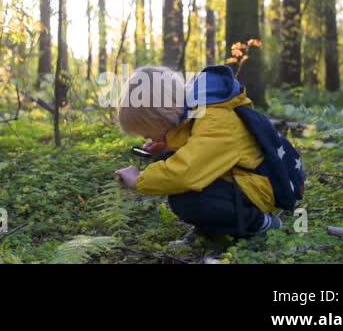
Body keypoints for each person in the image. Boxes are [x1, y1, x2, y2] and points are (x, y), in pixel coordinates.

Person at [114, 65, 282, 239]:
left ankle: (261, 223)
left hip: (259, 189)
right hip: (236, 178)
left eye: (147, 133)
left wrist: (139, 180)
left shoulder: (216, 119)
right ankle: (211, 228)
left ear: (160, 117)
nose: (148, 139)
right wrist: (167, 145)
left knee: (187, 201)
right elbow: (197, 146)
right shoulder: (199, 109)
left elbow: (186, 172)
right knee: (167, 159)